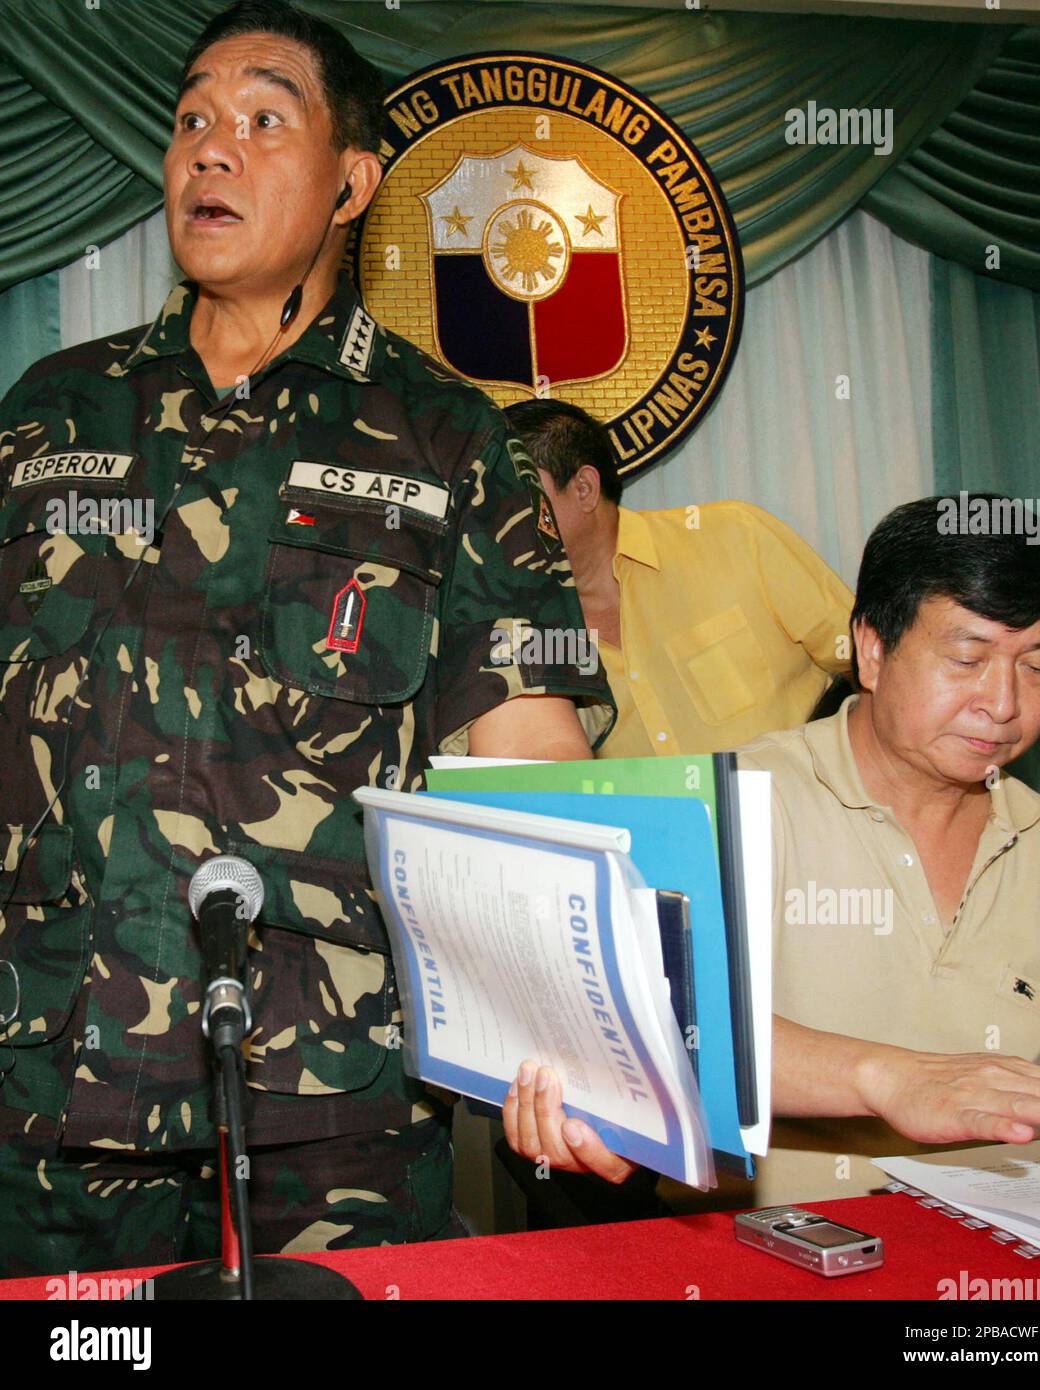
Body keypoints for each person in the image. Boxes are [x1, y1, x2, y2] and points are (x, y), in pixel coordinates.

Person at [0, 0, 619, 1276]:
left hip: (327, 1116)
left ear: (353, 183)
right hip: (41, 1093)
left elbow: (530, 763)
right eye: (191, 121)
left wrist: (587, 1038)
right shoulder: (50, 410)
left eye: (262, 119)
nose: (209, 150)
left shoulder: (448, 440)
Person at [734, 494, 1040, 1205]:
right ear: (872, 648)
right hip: (774, 1248)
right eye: (967, 658)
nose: (1003, 702)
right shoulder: (748, 801)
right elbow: (676, 1039)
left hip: (1004, 1248)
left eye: (1038, 666)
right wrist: (891, 1077)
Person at [504, 398, 856, 757]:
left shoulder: (735, 536)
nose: (498, 524)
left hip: (797, 805)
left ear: (584, 489)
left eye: (515, 498)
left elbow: (869, 664)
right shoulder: (521, 628)